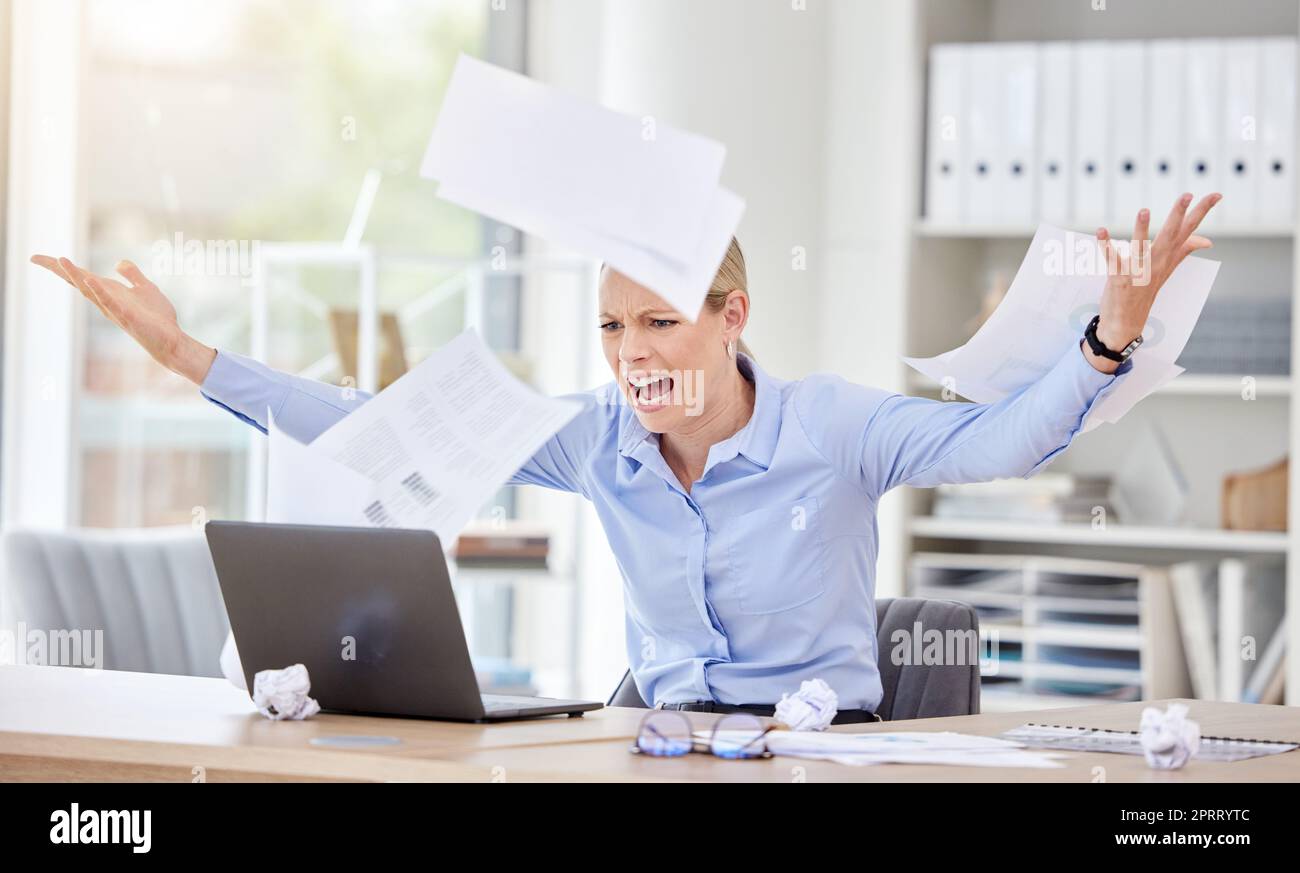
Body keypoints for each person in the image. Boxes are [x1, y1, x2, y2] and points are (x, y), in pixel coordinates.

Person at [32, 192, 1219, 722]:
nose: (630, 354)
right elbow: (371, 421)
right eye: (610, 326)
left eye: (659, 322)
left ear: (732, 314)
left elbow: (996, 441)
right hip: (647, 745)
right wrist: (189, 355)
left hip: (815, 755)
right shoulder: (597, 442)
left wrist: (1107, 339)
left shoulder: (836, 427)